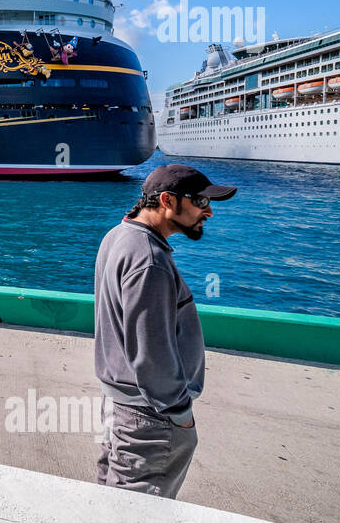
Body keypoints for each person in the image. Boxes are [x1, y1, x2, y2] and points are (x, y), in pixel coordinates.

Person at [93, 163, 237, 500]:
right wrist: (180, 415)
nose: (210, 212)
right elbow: (152, 355)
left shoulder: (118, 236)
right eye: (201, 202)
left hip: (120, 405)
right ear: (168, 201)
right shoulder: (149, 261)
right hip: (150, 418)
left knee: (111, 508)